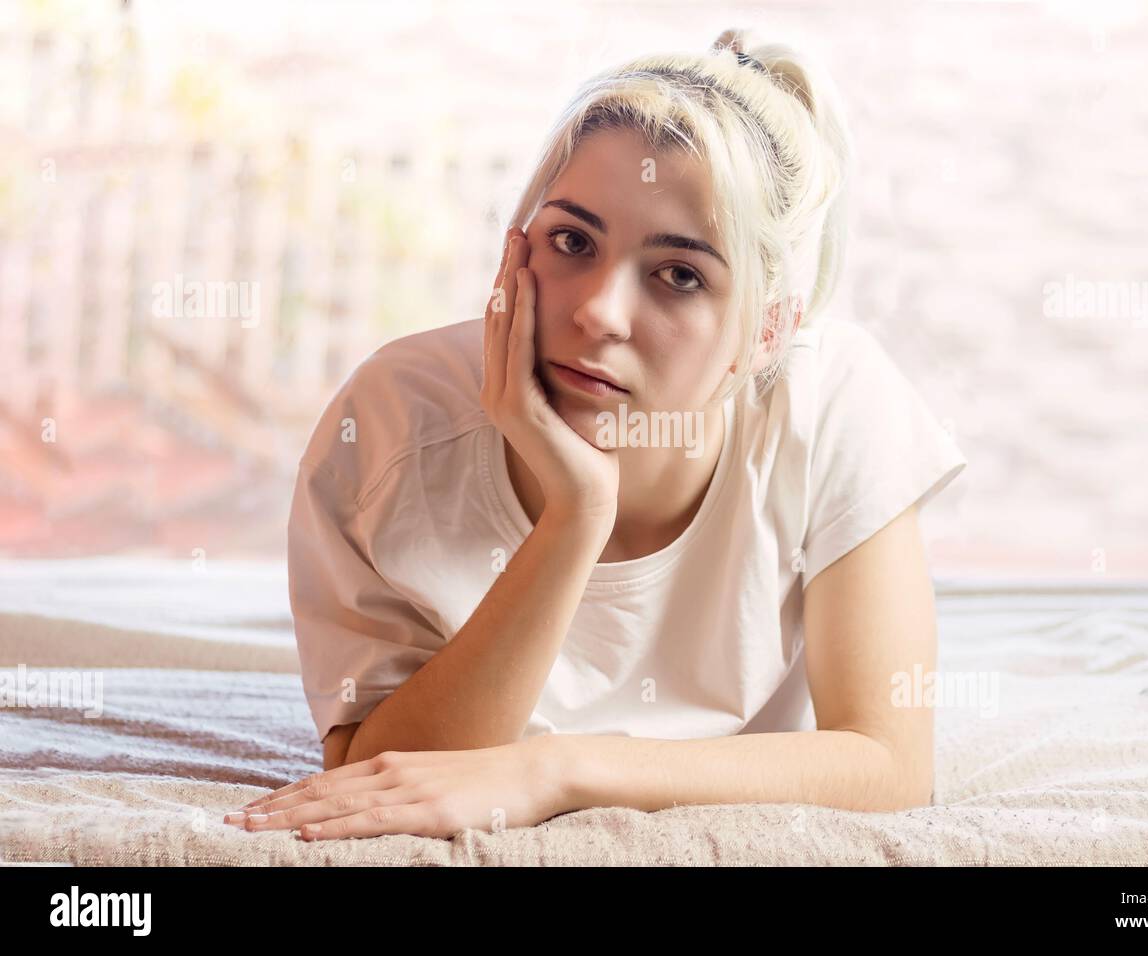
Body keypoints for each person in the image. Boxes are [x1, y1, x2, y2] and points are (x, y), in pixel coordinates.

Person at [227, 28, 967, 840]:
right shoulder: (392, 421)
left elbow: (890, 764)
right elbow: (381, 775)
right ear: (516, 251)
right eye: (572, 242)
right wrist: (576, 515)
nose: (598, 313)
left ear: (767, 330)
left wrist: (556, 767)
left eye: (679, 275)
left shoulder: (832, 401)